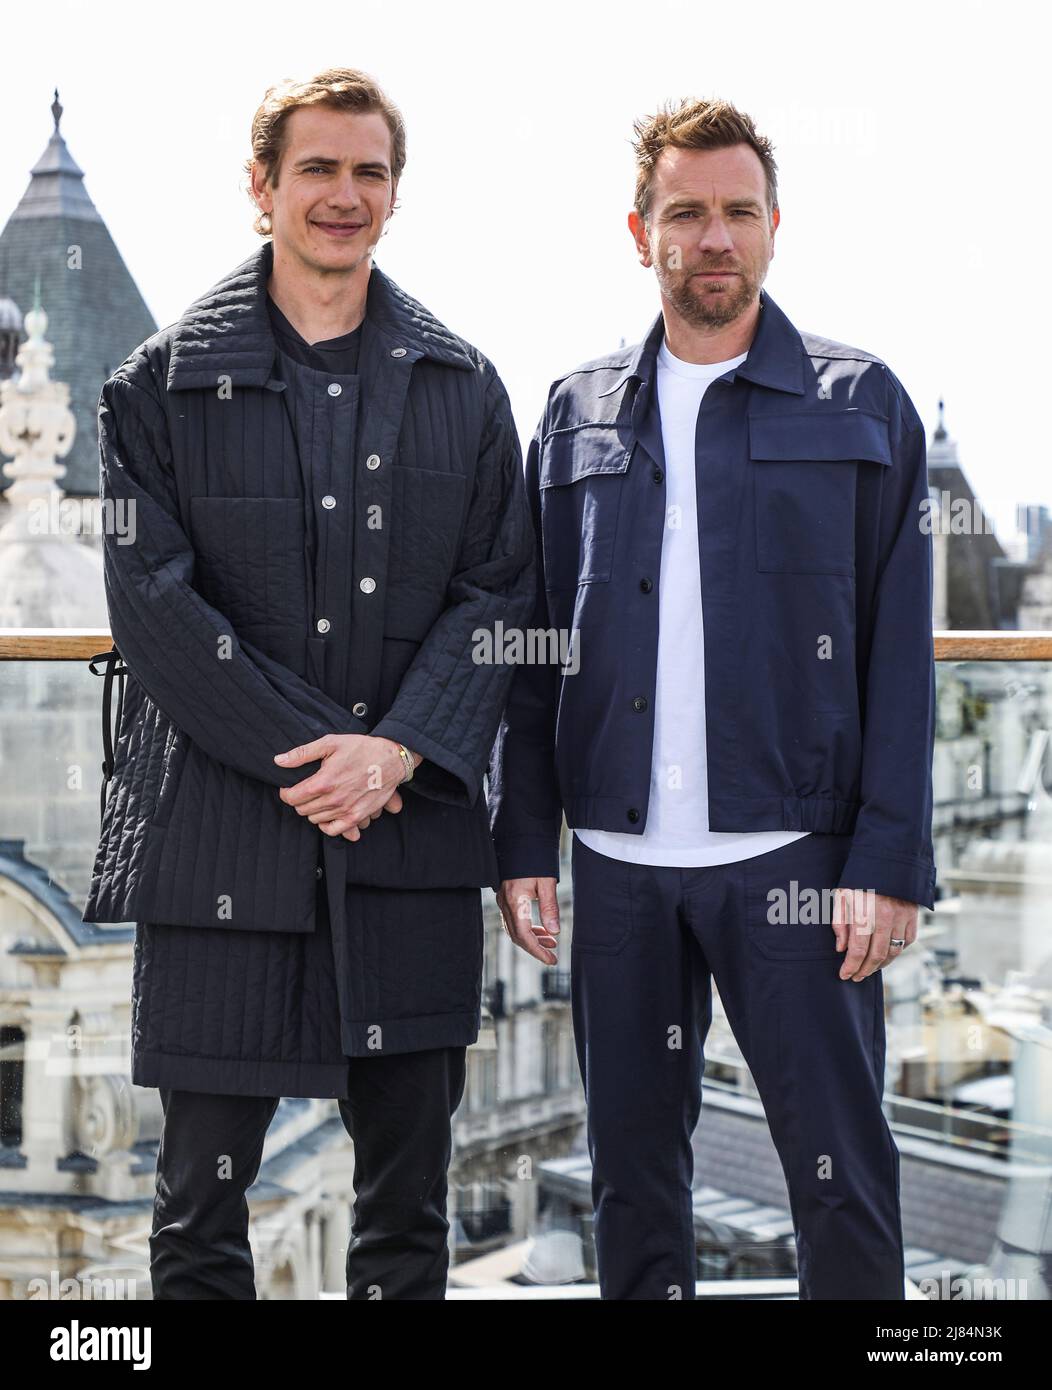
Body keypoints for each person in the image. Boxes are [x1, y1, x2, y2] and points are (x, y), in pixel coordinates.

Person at [82, 67, 534, 1299]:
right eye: (318, 169)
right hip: (221, 848)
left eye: (369, 172)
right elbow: (158, 611)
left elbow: (499, 599)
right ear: (262, 187)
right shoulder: (151, 387)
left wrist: (392, 753)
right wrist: (329, 758)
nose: (345, 195)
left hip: (407, 853)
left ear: (395, 194)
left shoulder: (467, 386)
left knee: (403, 1215)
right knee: (201, 1215)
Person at [489, 96, 936, 1301]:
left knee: (839, 1172)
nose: (713, 236)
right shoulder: (574, 409)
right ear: (639, 232)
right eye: (685, 213)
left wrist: (889, 856)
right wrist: (523, 834)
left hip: (796, 851)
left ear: (774, 228)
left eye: (738, 211)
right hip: (617, 859)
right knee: (632, 1179)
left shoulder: (859, 401)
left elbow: (902, 654)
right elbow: (538, 643)